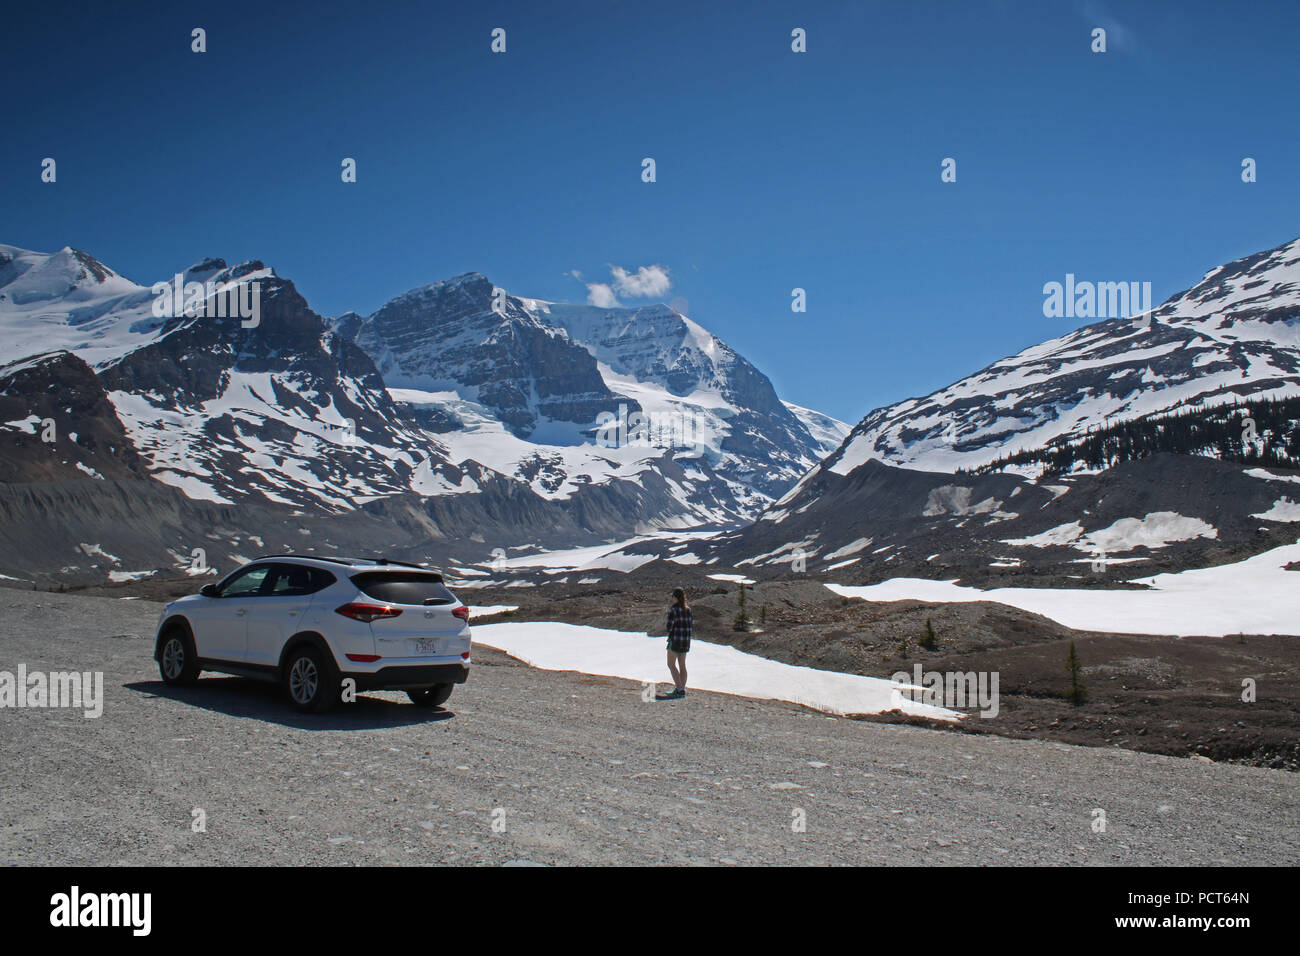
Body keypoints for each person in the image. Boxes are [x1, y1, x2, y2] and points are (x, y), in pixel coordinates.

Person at [664, 587, 692, 698]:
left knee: (671, 664)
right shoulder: (688, 609)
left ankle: (679, 689)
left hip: (675, 640)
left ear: (675, 597)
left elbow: (669, 626)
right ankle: (681, 688)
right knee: (682, 665)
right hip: (685, 641)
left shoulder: (674, 609)